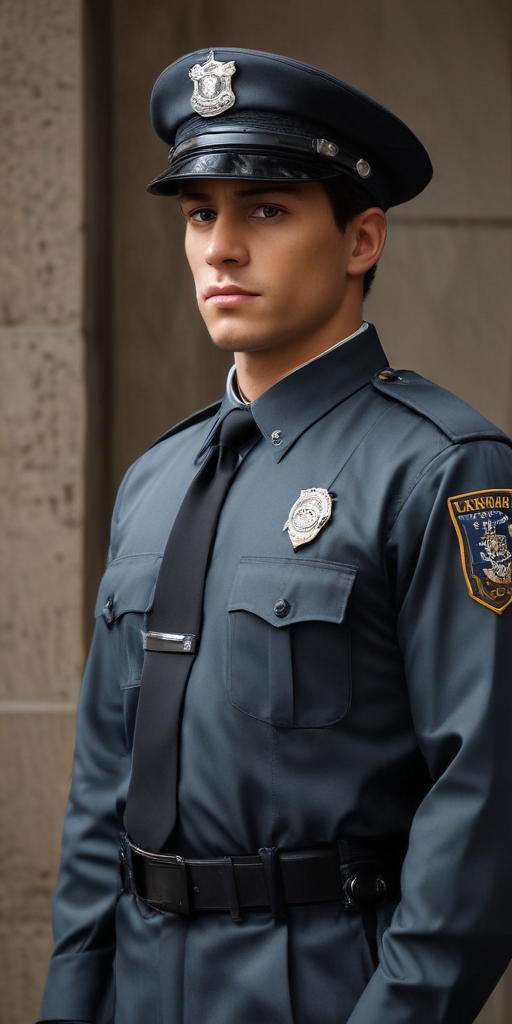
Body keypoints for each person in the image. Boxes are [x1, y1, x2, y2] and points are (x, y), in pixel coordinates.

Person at [38, 47, 512, 1024]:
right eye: (199, 213)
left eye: (264, 209)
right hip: (138, 985)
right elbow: (100, 799)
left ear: (359, 239)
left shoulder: (438, 468)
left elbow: (483, 807)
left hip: (317, 989)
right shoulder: (156, 480)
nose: (219, 247)